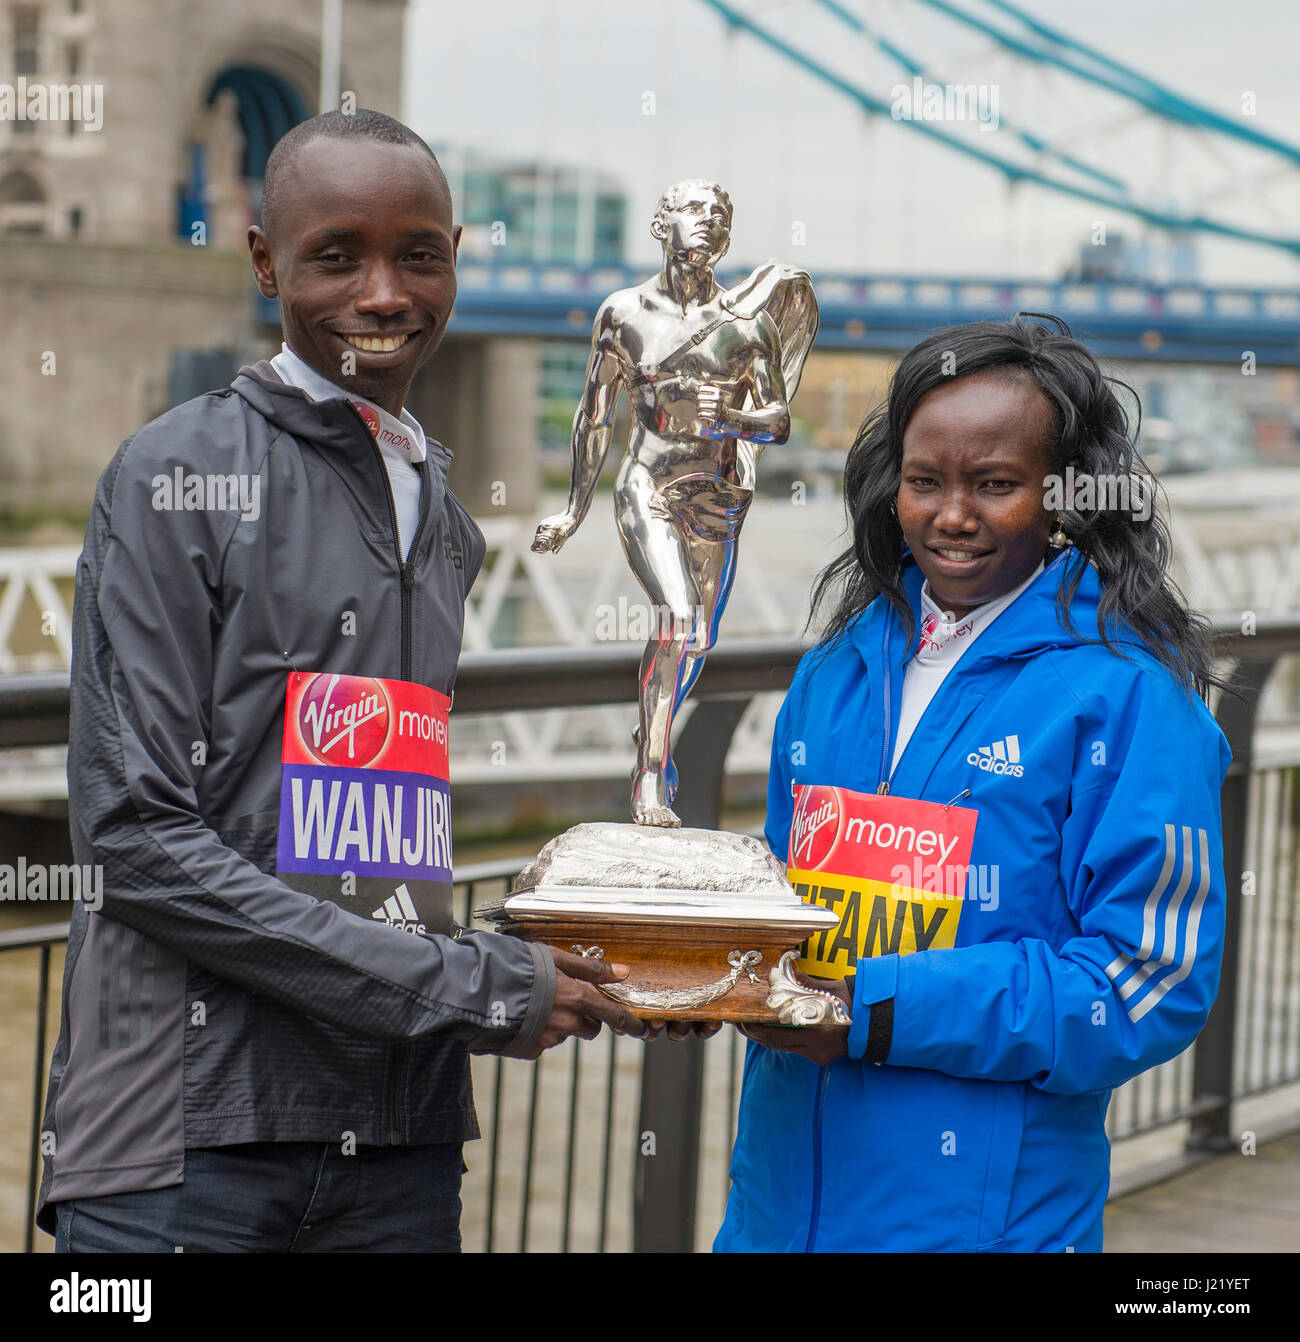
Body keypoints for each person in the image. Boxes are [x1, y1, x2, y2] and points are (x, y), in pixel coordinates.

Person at [37, 109, 640, 1254]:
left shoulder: (448, 526)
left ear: (457, 255)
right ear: (265, 262)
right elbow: (136, 838)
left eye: (419, 253)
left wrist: (595, 953)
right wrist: (479, 989)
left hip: (397, 1139)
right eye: (335, 256)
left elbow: (358, 839)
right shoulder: (175, 473)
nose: (382, 293)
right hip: (183, 1146)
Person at [714, 316, 1232, 1253]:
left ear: (1066, 496)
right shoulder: (835, 669)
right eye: (925, 482)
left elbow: (1148, 981)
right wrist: (704, 975)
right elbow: (784, 913)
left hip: (985, 1228)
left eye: (995, 485)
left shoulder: (1128, 697)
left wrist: (874, 1011)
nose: (952, 516)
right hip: (772, 1217)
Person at [531, 179, 816, 826]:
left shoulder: (746, 329)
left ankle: (650, 725)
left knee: (698, 639)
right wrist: (573, 512)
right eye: (695, 210)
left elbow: (777, 421)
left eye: (722, 215)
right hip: (647, 485)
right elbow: (594, 417)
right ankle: (651, 774)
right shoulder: (623, 315)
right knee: (679, 618)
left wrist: (738, 416)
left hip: (715, 496)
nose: (709, 222)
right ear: (662, 225)